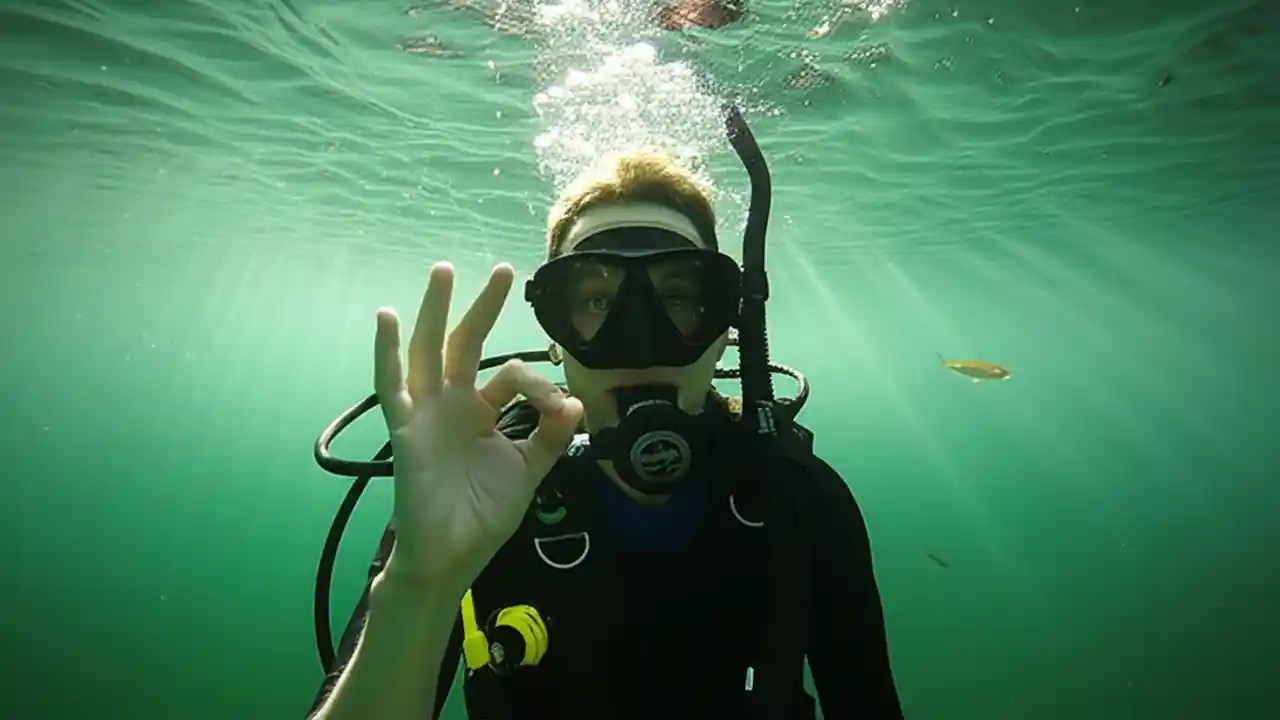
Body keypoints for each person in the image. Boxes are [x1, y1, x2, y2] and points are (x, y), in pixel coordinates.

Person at [307, 143, 904, 719]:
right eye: (595, 300)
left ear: (726, 327)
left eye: (677, 295)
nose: (638, 341)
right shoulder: (478, 484)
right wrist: (418, 585)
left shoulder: (796, 499)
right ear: (555, 336)